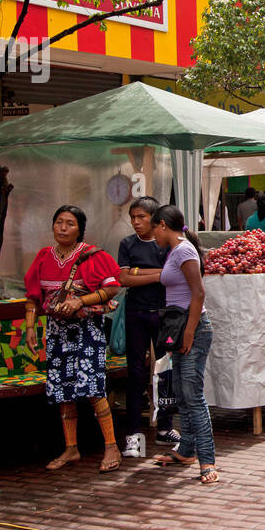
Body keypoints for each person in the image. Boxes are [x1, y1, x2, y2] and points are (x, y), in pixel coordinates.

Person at [24, 205, 124, 474]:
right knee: (63, 389)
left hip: (87, 330)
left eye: (69, 223)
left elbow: (112, 287)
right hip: (57, 330)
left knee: (92, 387)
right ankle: (71, 448)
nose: (63, 227)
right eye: (59, 222)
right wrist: (31, 327)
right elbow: (33, 296)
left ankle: (112, 446)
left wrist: (80, 300)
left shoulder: (94, 255)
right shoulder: (44, 256)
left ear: (80, 228)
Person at [125, 206, 217, 485]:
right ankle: (186, 450)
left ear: (162, 226)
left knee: (193, 395)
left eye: (154, 228)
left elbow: (199, 292)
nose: (152, 235)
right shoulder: (175, 251)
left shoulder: (184, 251)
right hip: (178, 329)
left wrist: (189, 332)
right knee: (181, 391)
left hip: (193, 329)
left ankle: (208, 460)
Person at [116, 196, 176, 457]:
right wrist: (157, 274)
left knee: (165, 372)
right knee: (136, 374)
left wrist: (141, 273)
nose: (136, 222)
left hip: (163, 315)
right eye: (133, 217)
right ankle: (133, 434)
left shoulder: (166, 245)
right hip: (136, 314)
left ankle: (165, 428)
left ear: (155, 220)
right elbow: (123, 279)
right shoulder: (127, 244)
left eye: (141, 217)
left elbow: (172, 277)